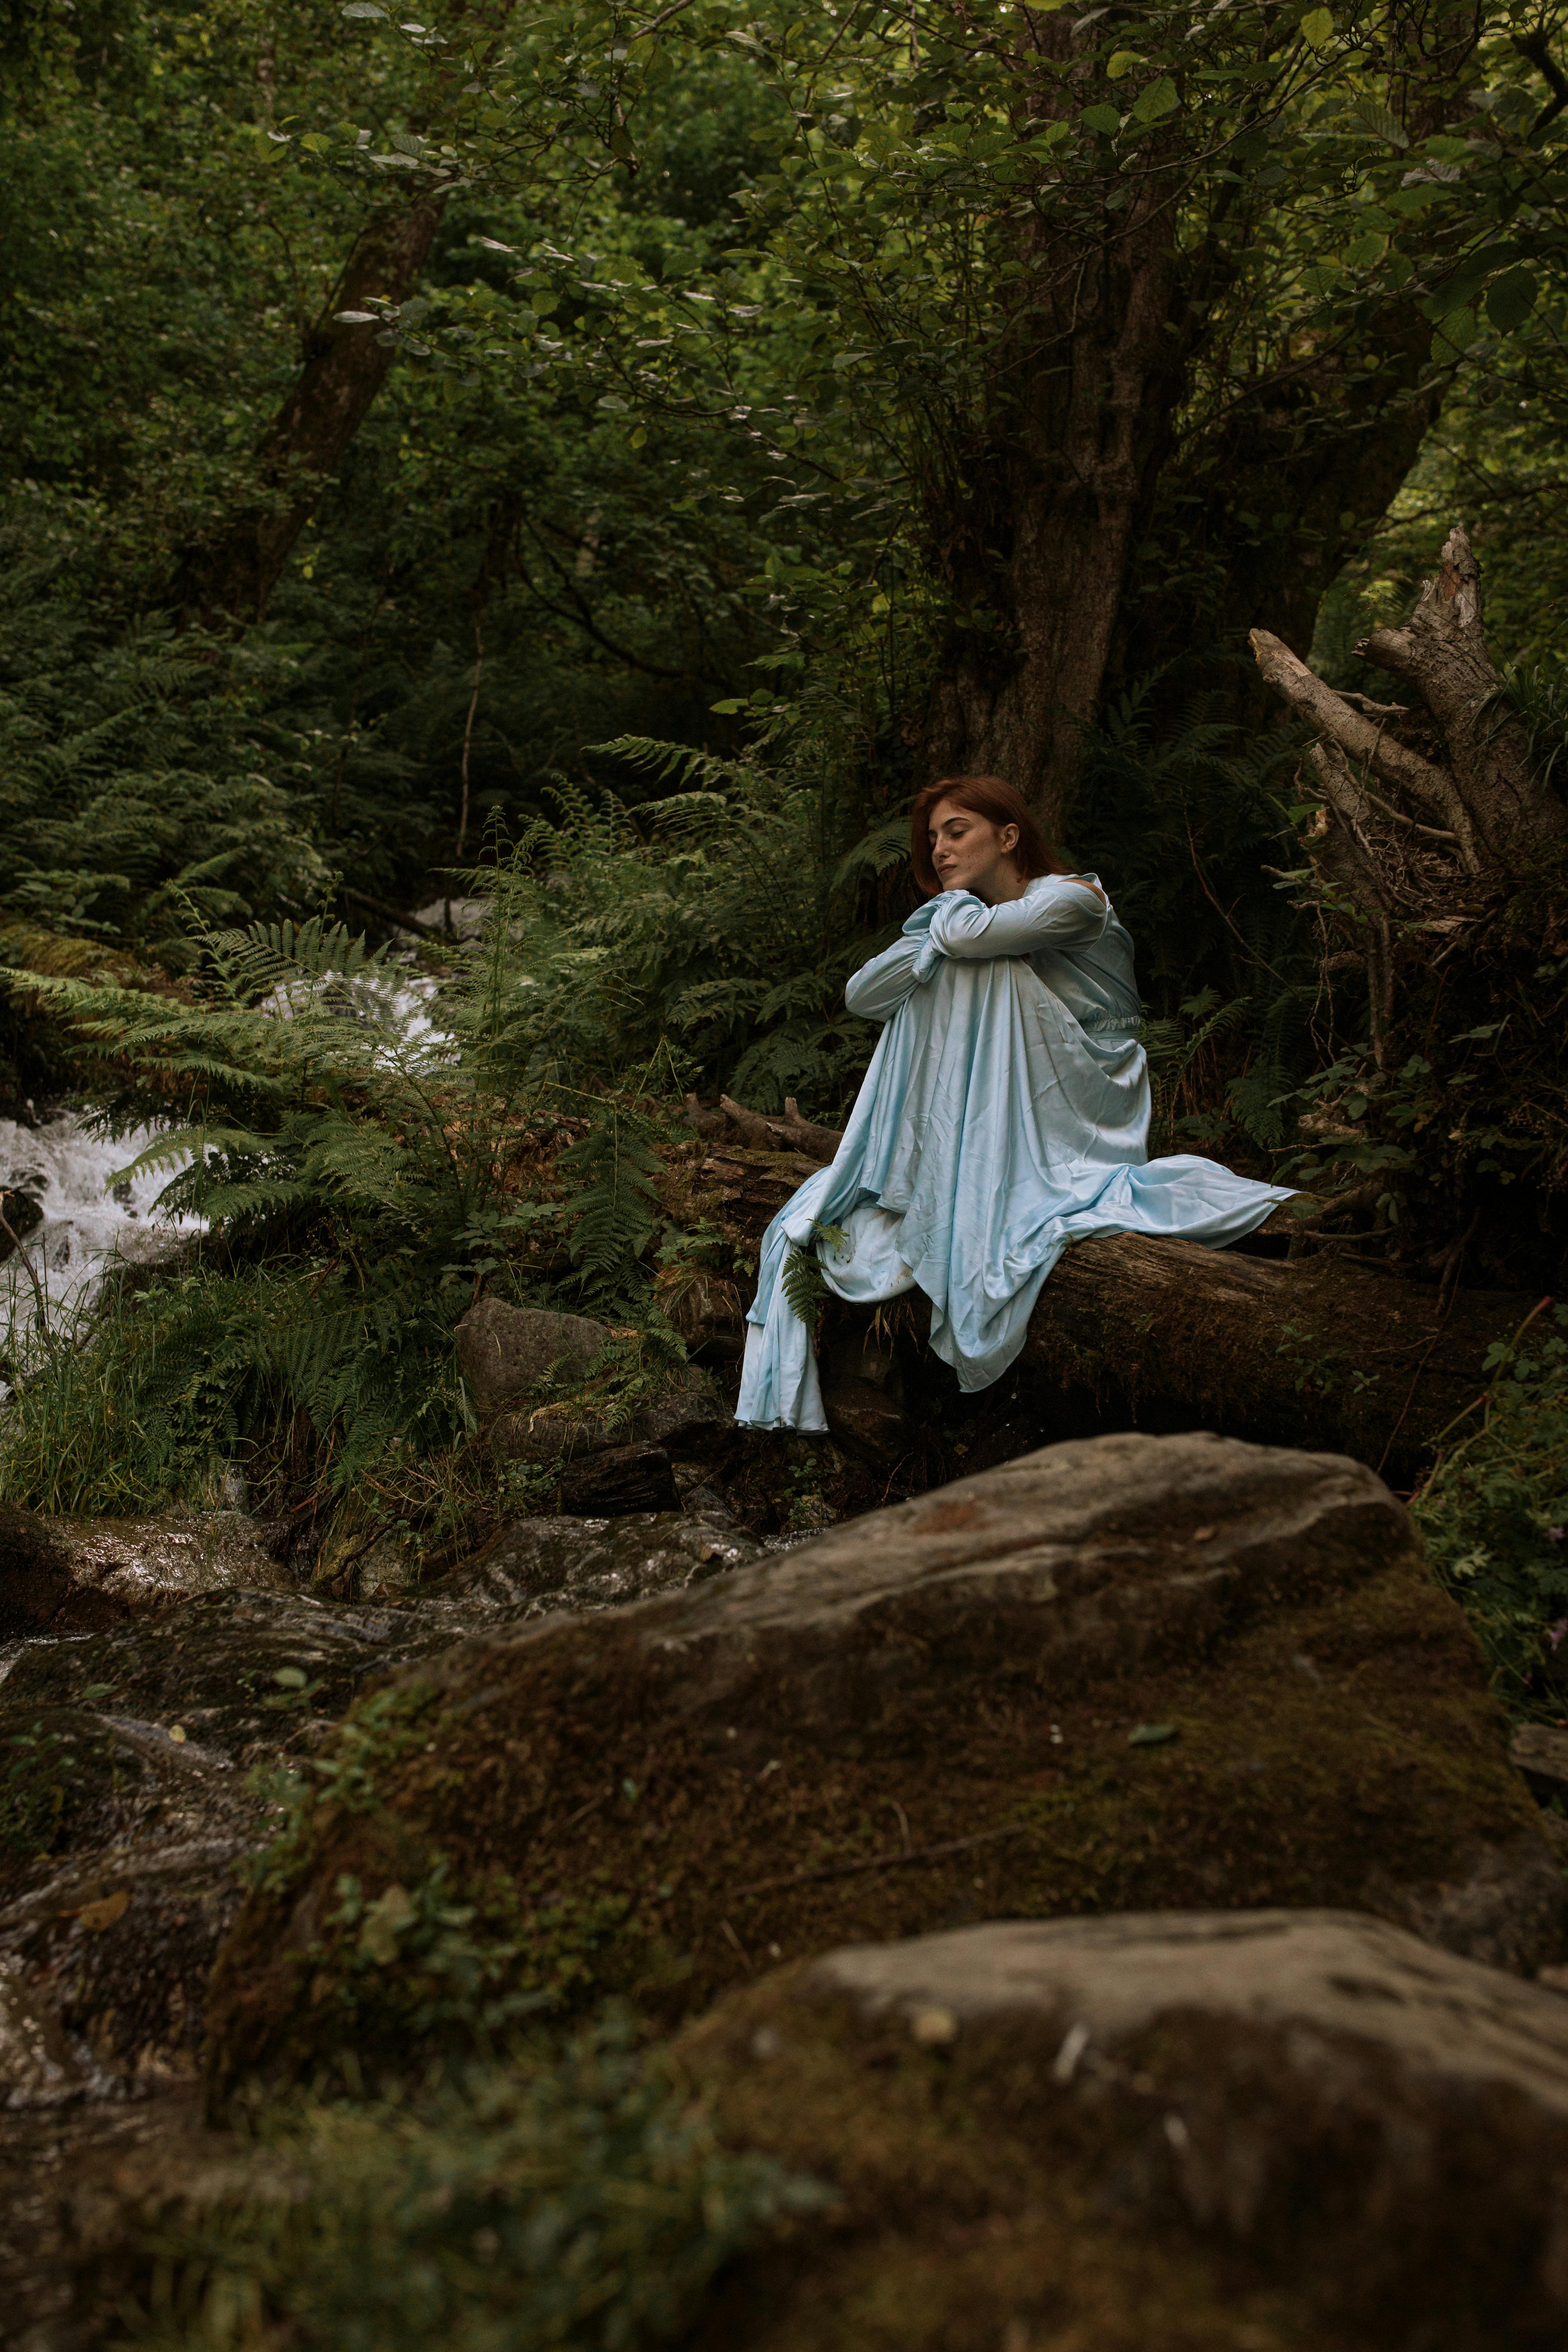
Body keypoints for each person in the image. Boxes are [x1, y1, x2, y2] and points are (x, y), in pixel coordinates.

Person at [735, 774, 1294, 1433]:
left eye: (956, 831)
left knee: (979, 966)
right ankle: (945, 1169)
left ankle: (948, 1167)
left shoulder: (1074, 898)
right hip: (1023, 1072)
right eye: (932, 837)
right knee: (955, 969)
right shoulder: (961, 916)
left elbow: (975, 943)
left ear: (1008, 836)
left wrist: (945, 929)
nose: (939, 849)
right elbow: (863, 993)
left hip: (1089, 1087)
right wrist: (944, 927)